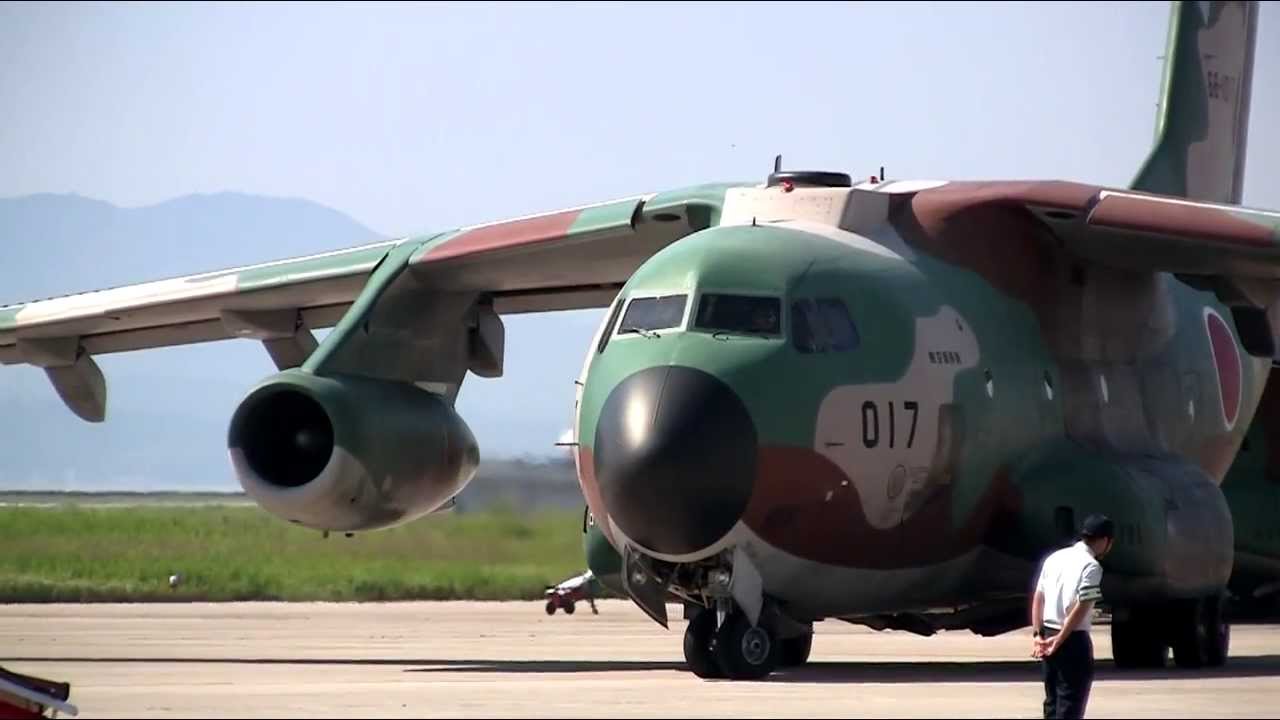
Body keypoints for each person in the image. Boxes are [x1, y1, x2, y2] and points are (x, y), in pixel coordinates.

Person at [1030, 513, 1116, 719]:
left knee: (1052, 705)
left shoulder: (1054, 558)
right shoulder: (1091, 566)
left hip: (1047, 635)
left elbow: (1038, 597)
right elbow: (1083, 604)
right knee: (1070, 707)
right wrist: (1060, 640)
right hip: (1072, 640)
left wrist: (1037, 635)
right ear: (1105, 540)